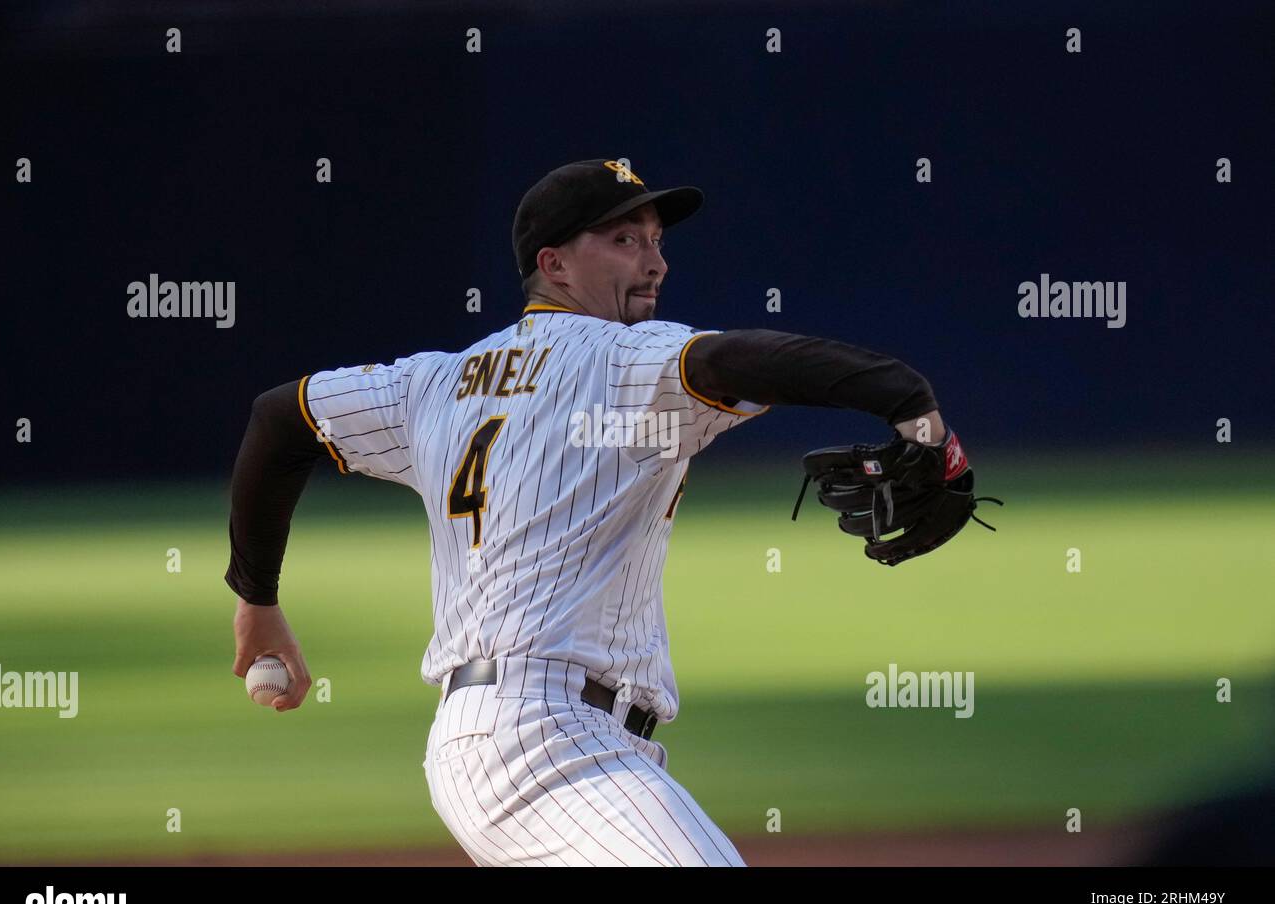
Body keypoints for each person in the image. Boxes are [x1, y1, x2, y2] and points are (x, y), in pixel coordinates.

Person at [225, 158, 948, 866]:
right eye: (625, 240)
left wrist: (256, 598)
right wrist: (906, 397)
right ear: (555, 264)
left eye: (658, 240)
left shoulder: (431, 385)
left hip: (511, 739)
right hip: (544, 742)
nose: (656, 262)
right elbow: (738, 360)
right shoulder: (622, 358)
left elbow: (278, 419)